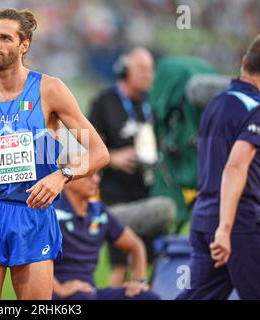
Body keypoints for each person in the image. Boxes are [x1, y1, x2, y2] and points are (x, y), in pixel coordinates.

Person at [0, 8, 110, 300]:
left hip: (31, 214)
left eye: (5, 38)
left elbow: (98, 152)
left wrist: (61, 176)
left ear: (24, 45)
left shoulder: (49, 91)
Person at [177, 35, 260, 300]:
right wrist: (225, 227)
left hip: (204, 216)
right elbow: (235, 167)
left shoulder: (216, 103)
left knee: (199, 295)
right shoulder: (255, 109)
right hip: (236, 221)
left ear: (244, 61)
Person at [89, 47, 176, 286]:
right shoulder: (104, 102)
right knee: (120, 264)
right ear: (125, 70)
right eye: (142, 68)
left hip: (149, 191)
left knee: (151, 260)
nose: (149, 75)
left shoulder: (152, 105)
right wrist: (113, 157)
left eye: (151, 69)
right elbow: (86, 145)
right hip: (116, 195)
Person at [52, 172, 159, 300]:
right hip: (58, 294)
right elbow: (32, 257)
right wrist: (61, 289)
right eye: (89, 175)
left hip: (90, 292)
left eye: (97, 174)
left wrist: (139, 282)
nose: (96, 179)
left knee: (146, 297)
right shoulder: (51, 212)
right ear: (67, 179)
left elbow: (135, 245)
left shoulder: (99, 213)